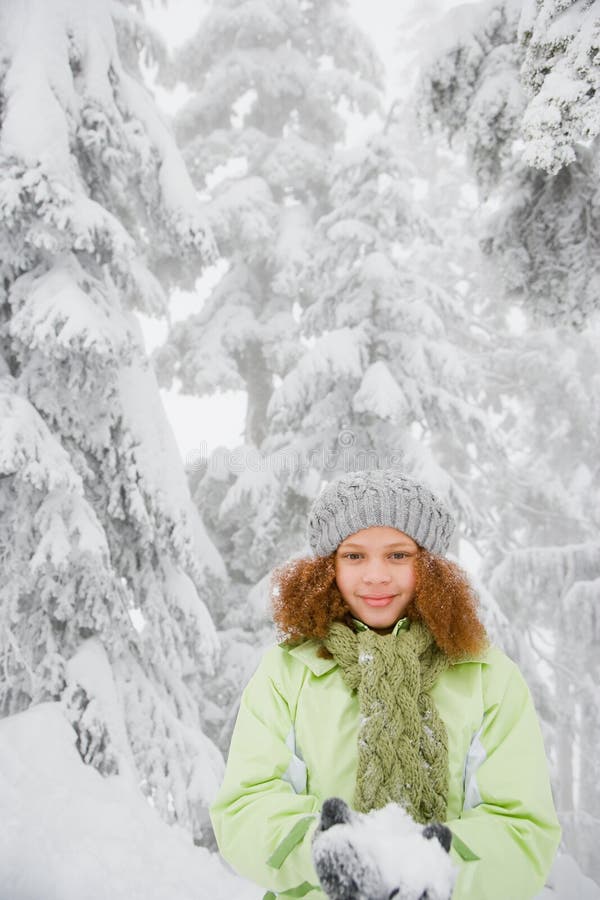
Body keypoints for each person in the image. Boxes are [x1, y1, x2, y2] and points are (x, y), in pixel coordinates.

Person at [209, 469, 561, 899]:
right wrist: (323, 848)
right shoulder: (286, 675)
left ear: (430, 567)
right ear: (327, 568)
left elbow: (523, 830)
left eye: (398, 555)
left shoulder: (488, 678)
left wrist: (434, 869)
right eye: (354, 556)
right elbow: (246, 808)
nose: (376, 575)